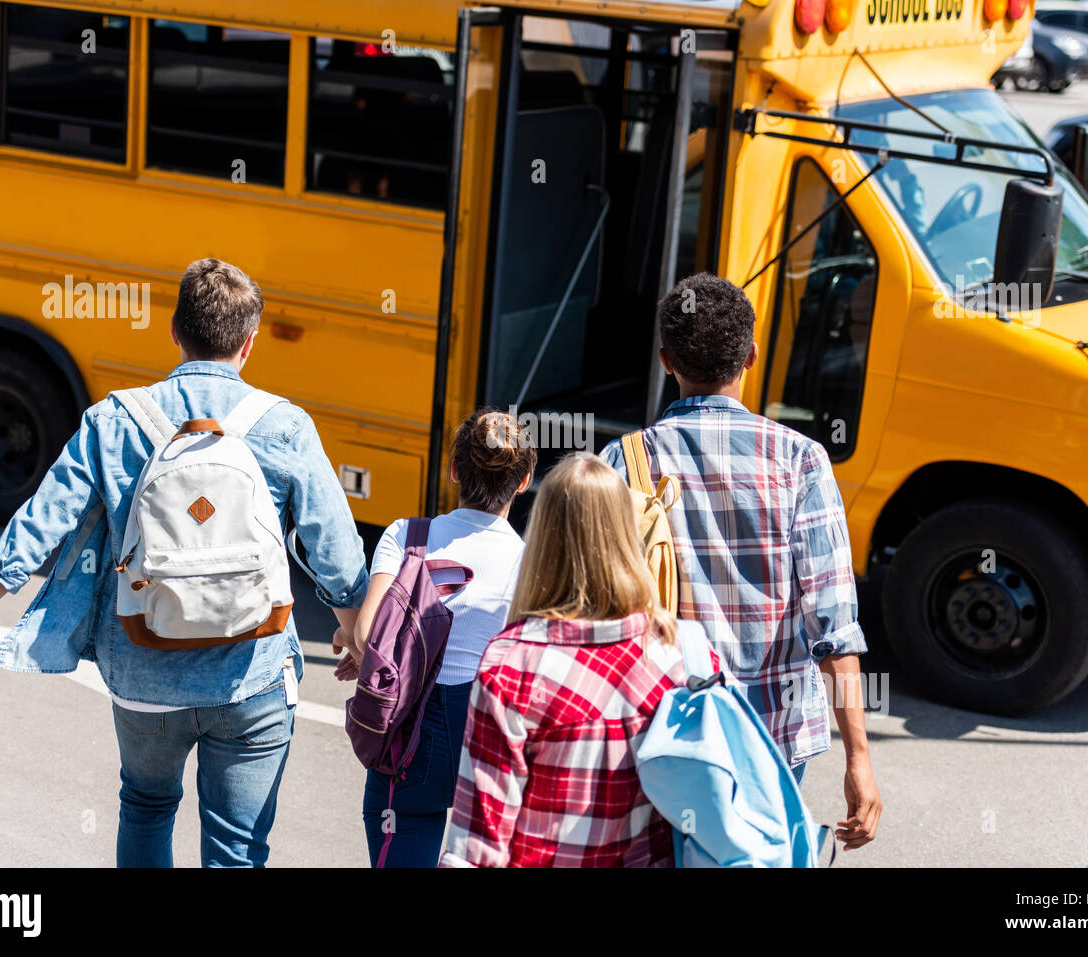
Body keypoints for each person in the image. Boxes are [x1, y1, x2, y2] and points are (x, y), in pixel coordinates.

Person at [0, 258, 369, 867]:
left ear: (175, 332)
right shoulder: (286, 427)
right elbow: (336, 553)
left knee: (147, 808)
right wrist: (352, 629)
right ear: (250, 342)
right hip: (253, 674)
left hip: (143, 668)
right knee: (236, 847)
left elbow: (39, 525)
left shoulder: (115, 420)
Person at [600, 273, 882, 851]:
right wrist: (859, 758)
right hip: (769, 739)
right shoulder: (801, 460)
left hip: (659, 732)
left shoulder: (619, 461)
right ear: (751, 355)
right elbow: (832, 623)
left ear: (664, 361)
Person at [440, 453, 721, 868]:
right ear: (627, 538)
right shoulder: (689, 655)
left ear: (543, 539)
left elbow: (479, 846)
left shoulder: (511, 666)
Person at [339, 408, 535, 868]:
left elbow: (368, 633)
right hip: (490, 730)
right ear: (524, 480)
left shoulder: (407, 536)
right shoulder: (531, 558)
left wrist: (350, 638)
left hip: (412, 730)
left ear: (452, 471)